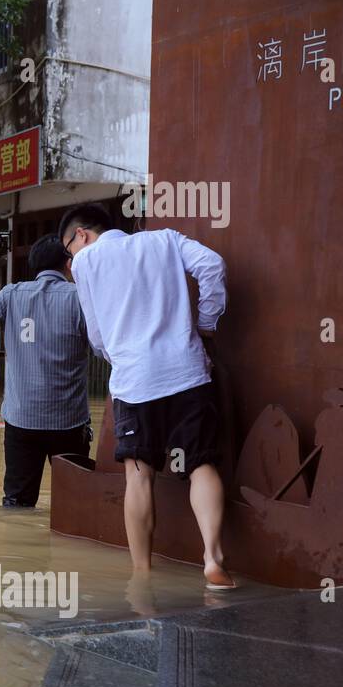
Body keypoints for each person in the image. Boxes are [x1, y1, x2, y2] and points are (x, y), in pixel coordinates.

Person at [59, 202, 235, 589]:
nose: (71, 258)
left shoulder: (86, 263)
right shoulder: (166, 240)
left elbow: (96, 335)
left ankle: (142, 575)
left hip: (134, 383)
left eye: (69, 249)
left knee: (138, 478)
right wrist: (205, 324)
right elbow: (213, 266)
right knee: (201, 466)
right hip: (187, 373)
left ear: (82, 235)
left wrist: (118, 354)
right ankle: (212, 558)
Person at [0, 234, 92, 507]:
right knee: (75, 503)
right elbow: (105, 347)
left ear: (33, 265)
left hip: (22, 419)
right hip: (68, 421)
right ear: (68, 264)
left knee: (17, 503)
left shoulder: (11, 295)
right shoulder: (81, 298)